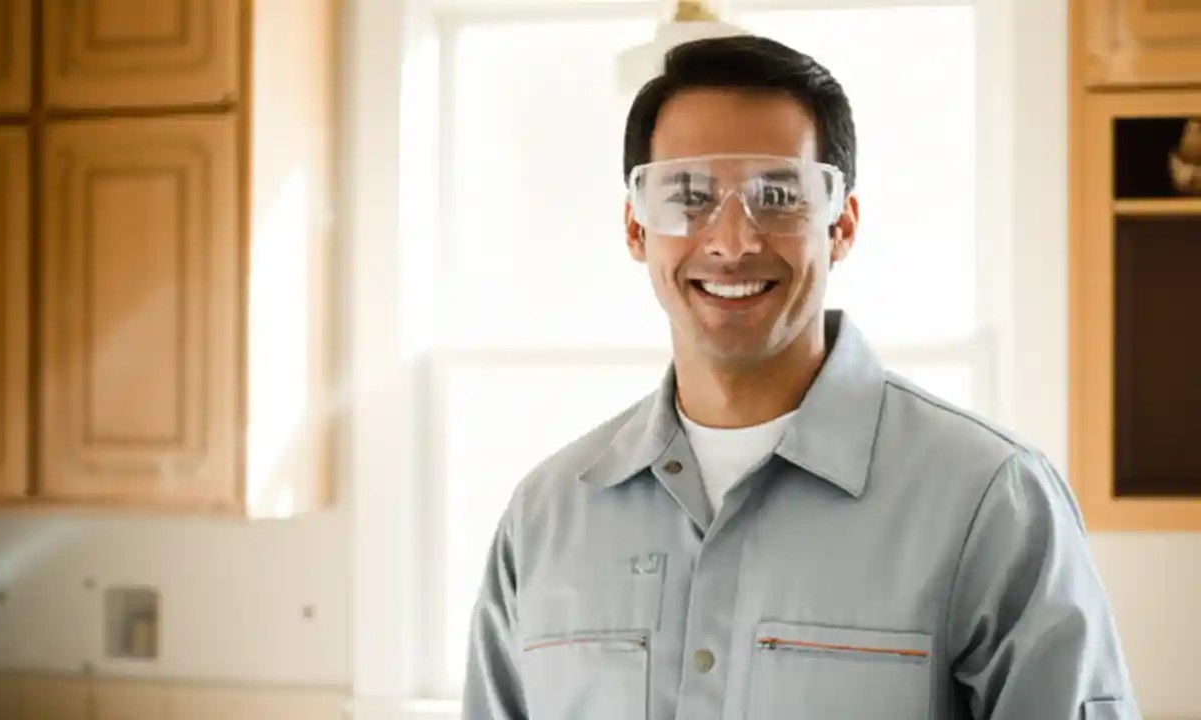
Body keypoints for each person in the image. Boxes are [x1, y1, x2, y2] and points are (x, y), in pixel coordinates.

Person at [462, 35, 1139, 719]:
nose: (732, 242)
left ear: (841, 225)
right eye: (686, 196)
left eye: (778, 195)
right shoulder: (543, 518)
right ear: (636, 228)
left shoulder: (992, 503)